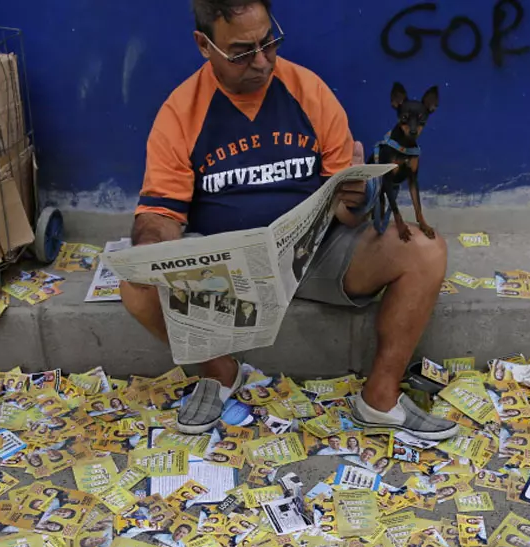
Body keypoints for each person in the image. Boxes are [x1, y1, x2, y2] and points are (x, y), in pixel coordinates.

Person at [121, 0, 453, 440]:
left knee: (426, 252)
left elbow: (347, 207)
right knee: (137, 284)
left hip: (315, 254)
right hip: (231, 273)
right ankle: (220, 373)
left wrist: (355, 196)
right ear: (205, 45)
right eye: (241, 52)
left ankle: (381, 397)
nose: (261, 62)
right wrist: (151, 247)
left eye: (269, 43)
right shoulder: (181, 110)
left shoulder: (307, 89)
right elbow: (161, 213)